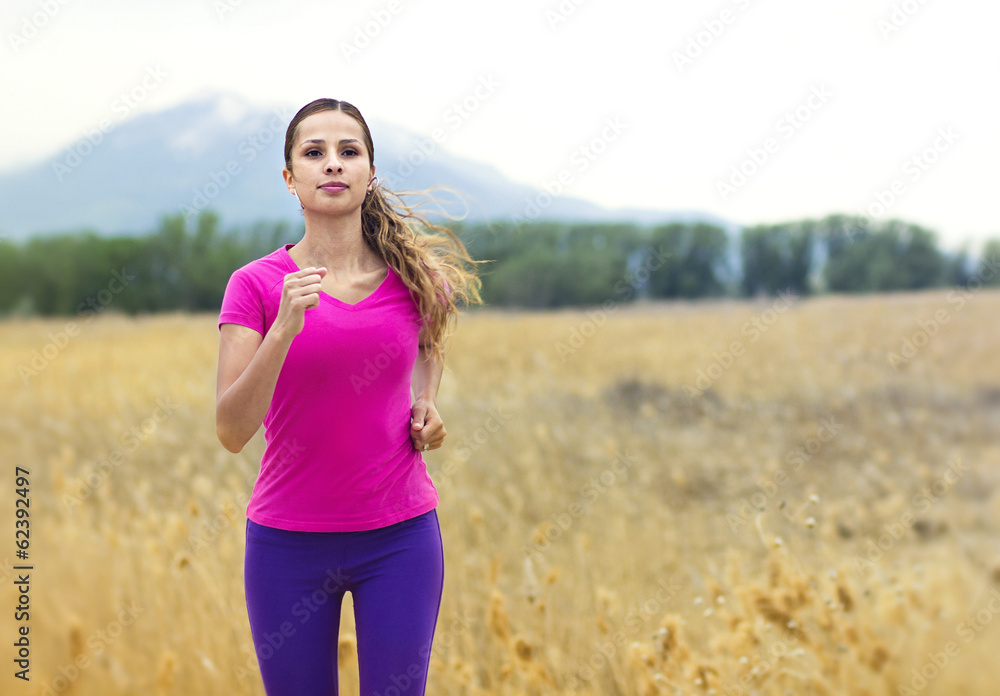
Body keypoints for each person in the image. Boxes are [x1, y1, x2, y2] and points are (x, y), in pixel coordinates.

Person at [215, 97, 482, 696]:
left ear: (369, 172)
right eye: (314, 153)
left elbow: (427, 347)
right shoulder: (256, 286)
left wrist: (427, 403)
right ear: (290, 178)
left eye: (348, 152)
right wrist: (284, 327)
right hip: (287, 545)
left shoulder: (417, 279)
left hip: (401, 539)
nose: (332, 164)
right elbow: (231, 431)